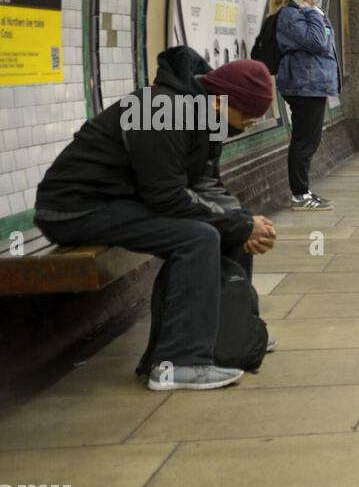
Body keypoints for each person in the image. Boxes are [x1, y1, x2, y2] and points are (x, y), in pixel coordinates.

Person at [33, 51, 278, 391]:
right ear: (223, 102)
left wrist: (244, 223)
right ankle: (177, 363)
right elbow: (166, 196)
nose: (245, 125)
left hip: (122, 202)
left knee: (231, 227)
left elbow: (204, 183)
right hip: (76, 207)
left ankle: (232, 330)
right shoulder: (158, 110)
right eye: (245, 117)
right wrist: (238, 223)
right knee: (199, 238)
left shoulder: (207, 115)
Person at [269, 0, 338, 211]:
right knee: (304, 141)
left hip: (312, 83)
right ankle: (299, 194)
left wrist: (314, 13)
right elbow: (318, 42)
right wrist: (314, 14)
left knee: (309, 139)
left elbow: (324, 43)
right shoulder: (292, 14)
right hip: (304, 84)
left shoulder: (306, 12)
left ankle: (304, 190)